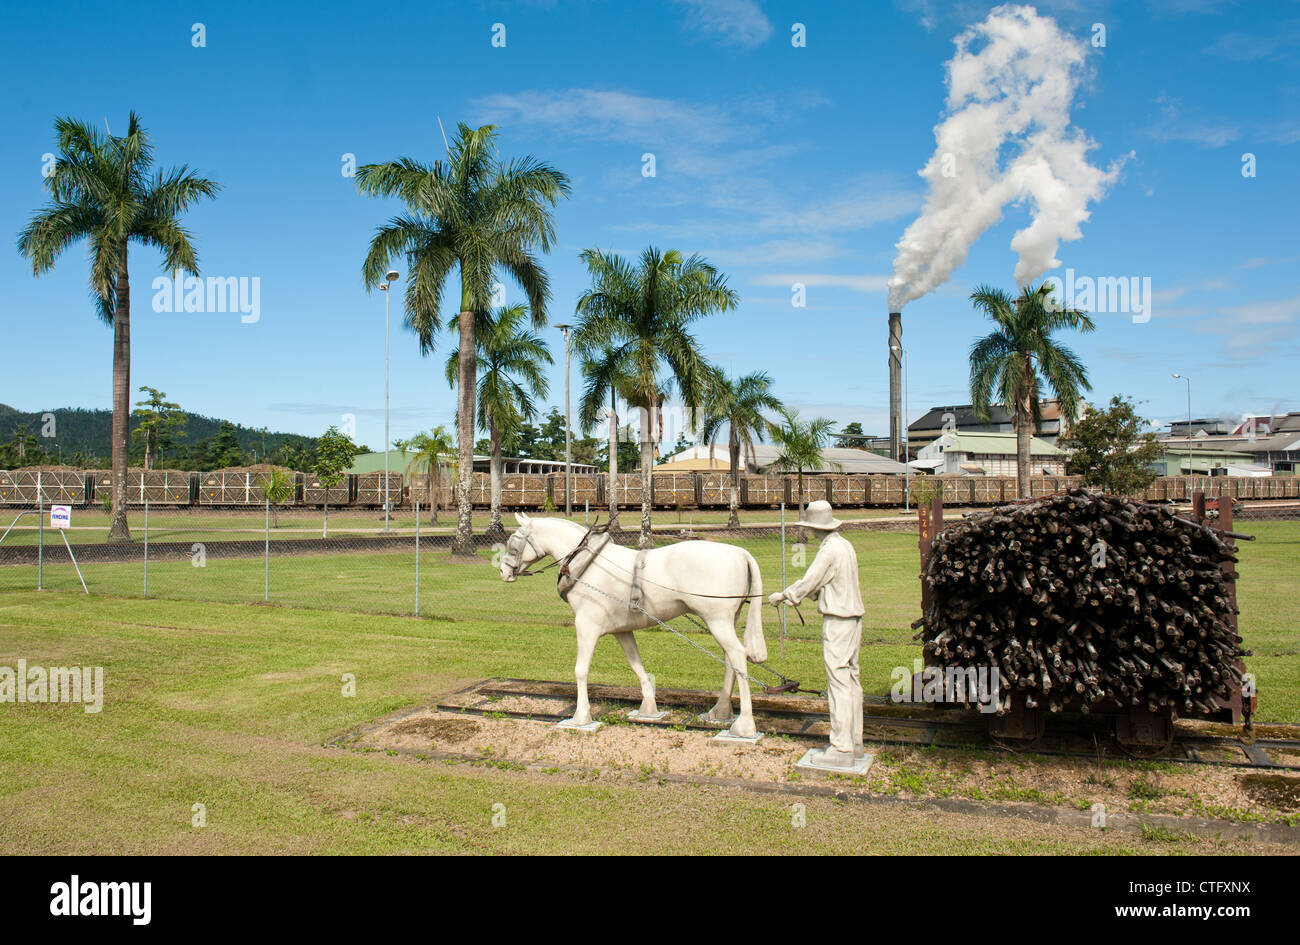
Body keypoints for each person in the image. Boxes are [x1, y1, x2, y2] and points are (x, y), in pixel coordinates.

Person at [768, 500, 865, 767]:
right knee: (851, 679)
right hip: (853, 617)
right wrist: (807, 592)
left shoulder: (829, 550)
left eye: (808, 527)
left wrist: (786, 595)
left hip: (838, 620)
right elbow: (824, 583)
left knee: (838, 681)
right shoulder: (844, 545)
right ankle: (854, 741)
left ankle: (841, 748)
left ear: (814, 527)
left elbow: (811, 580)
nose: (807, 532)